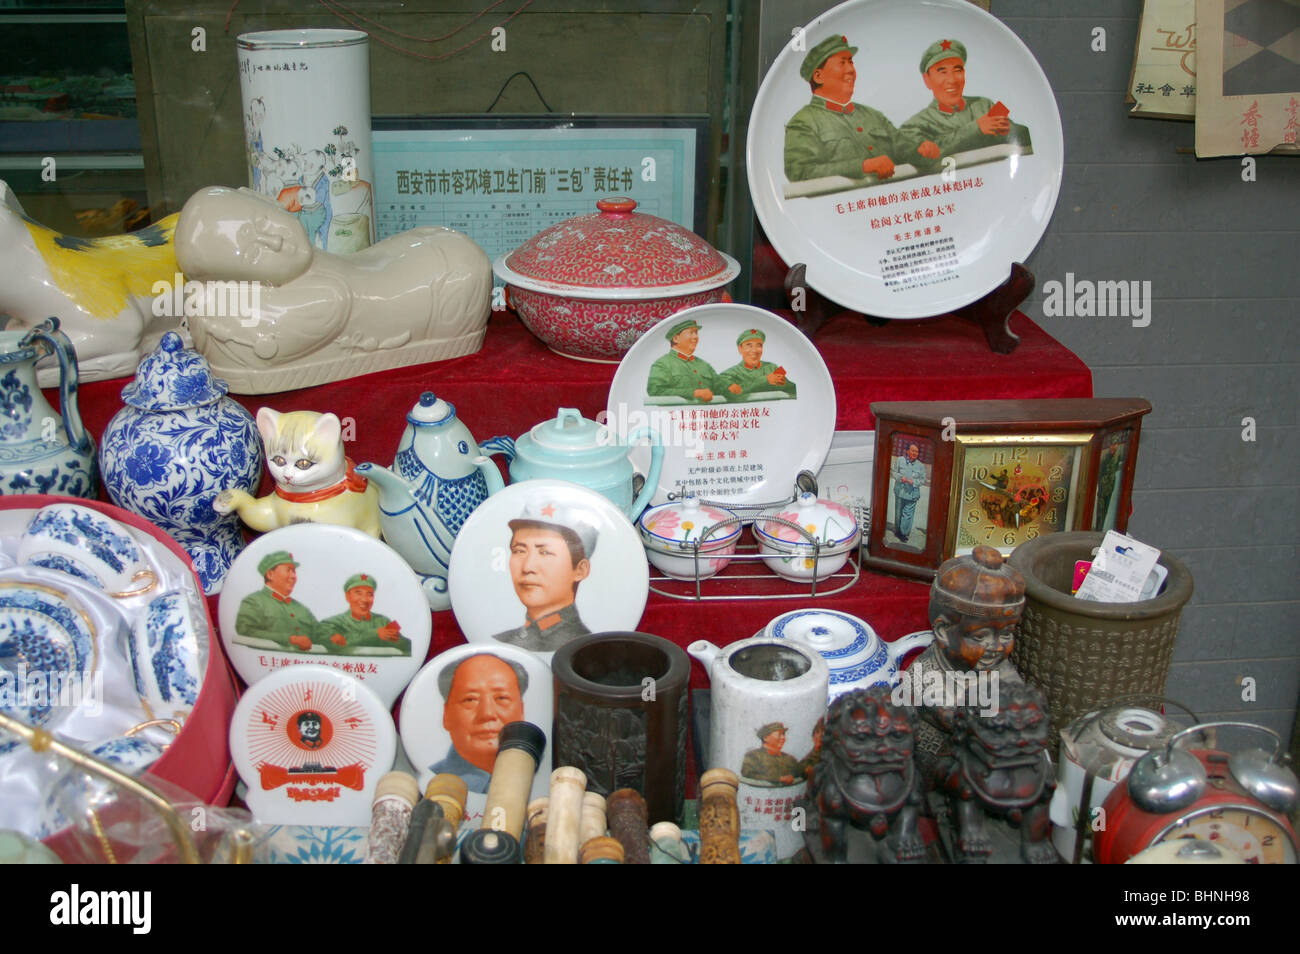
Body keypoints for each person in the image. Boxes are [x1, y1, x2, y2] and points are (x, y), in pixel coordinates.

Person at [897, 39, 1032, 174]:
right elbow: (919, 156)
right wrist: (976, 130)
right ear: (927, 80)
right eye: (942, 72)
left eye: (957, 70)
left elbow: (1022, 136)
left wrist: (1006, 130)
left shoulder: (984, 105)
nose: (952, 80)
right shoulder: (915, 125)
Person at [784, 34, 902, 183]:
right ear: (819, 76)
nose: (851, 70)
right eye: (842, 63)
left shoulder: (872, 115)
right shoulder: (803, 122)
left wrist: (921, 148)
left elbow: (902, 146)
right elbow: (800, 172)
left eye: (851, 62)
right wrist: (863, 166)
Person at [491, 498, 597, 653]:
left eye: (545, 552)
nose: (527, 567)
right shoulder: (501, 641)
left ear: (580, 570)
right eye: (520, 550)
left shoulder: (585, 647)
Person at [429, 653, 529, 794]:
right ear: (446, 715)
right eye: (470, 700)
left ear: (522, 711)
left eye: (501, 698)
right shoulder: (430, 781)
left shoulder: (551, 775)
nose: (487, 713)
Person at [232, 551, 321, 651]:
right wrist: (289, 639)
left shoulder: (302, 609)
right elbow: (245, 630)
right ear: (270, 574)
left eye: (294, 571)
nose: (293, 576)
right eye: (288, 570)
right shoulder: (253, 602)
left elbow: (320, 633)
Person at [318, 573, 411, 656]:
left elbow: (408, 648)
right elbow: (335, 642)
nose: (365, 600)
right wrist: (375, 634)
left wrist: (397, 640)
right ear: (347, 596)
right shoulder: (331, 623)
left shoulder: (383, 621)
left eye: (369, 594)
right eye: (358, 593)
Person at [645, 318, 720, 403]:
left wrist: (729, 386)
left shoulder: (704, 365)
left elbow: (719, 385)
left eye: (696, 333)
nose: (696, 337)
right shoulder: (662, 364)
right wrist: (693, 393)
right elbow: (655, 391)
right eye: (691, 332)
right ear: (676, 339)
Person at [717, 328, 797, 400]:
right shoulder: (728, 374)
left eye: (759, 345)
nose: (754, 350)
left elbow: (794, 391)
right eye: (749, 345)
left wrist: (784, 384)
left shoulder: (772, 368)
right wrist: (765, 380)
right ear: (740, 349)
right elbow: (731, 392)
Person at [740, 722, 805, 786]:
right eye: (779, 734)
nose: (783, 738)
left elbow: (801, 771)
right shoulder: (754, 756)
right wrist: (778, 779)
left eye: (783, 734)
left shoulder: (789, 758)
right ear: (765, 738)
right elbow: (747, 773)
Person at [891, 443, 928, 543]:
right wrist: (899, 477)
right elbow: (893, 472)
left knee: (907, 514)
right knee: (898, 512)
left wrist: (914, 482)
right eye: (913, 450)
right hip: (900, 491)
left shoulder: (920, 466)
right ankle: (898, 530)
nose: (915, 453)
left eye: (917, 451)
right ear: (907, 451)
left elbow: (923, 479)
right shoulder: (899, 460)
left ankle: (904, 533)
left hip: (912, 494)